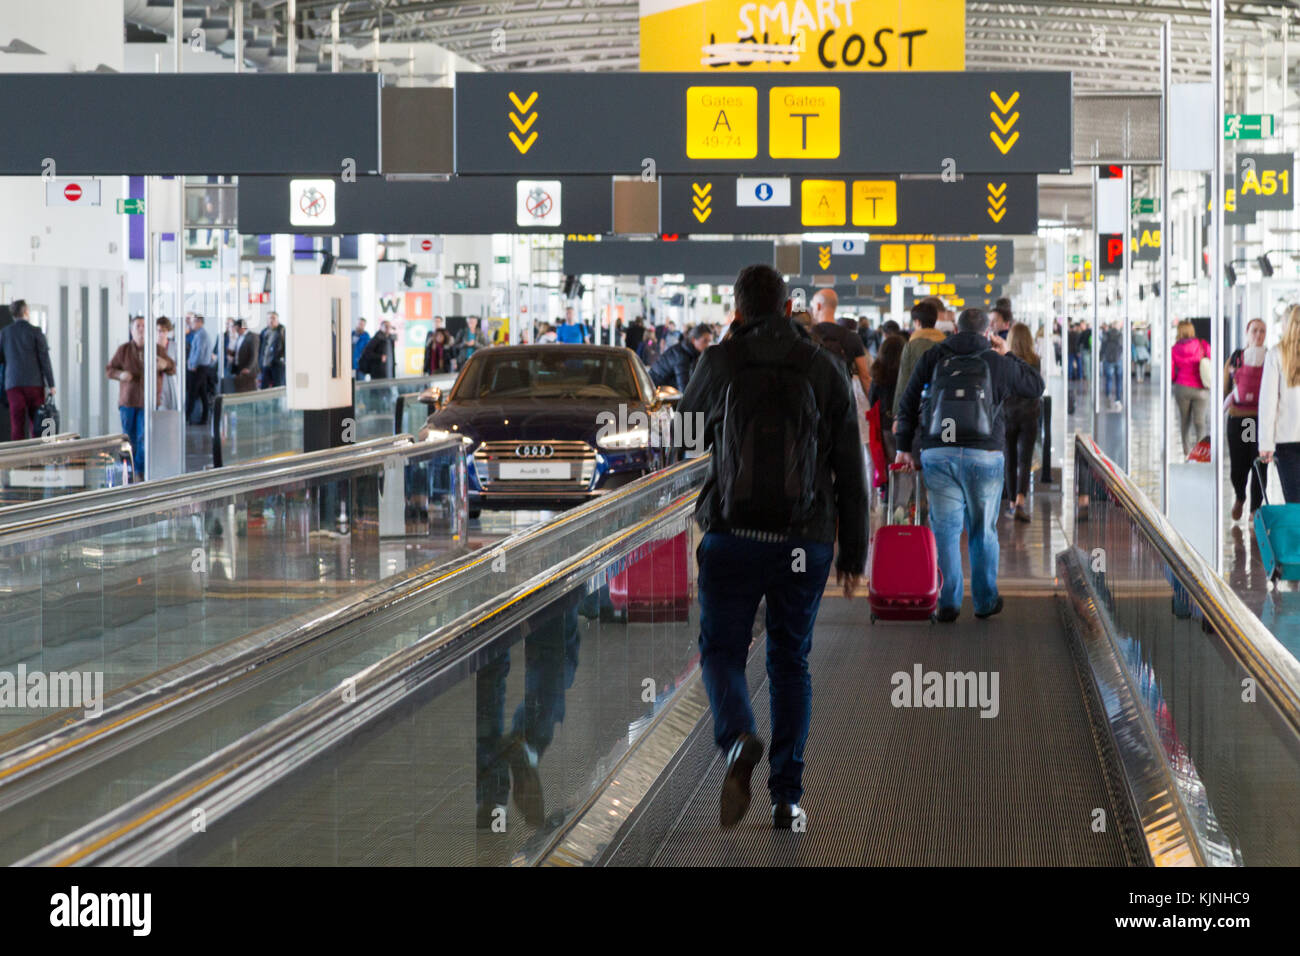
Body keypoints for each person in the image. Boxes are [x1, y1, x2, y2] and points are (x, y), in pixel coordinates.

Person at [680, 263, 867, 832]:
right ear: (789, 308)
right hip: (802, 541)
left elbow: (683, 440)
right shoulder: (822, 366)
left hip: (731, 537)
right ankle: (787, 799)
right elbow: (848, 467)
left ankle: (737, 735)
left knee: (721, 652)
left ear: (737, 311)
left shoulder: (718, 361)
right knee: (790, 662)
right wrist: (854, 553)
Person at [895, 308, 1044, 622]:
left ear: (955, 329)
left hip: (938, 454)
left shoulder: (934, 355)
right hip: (984, 455)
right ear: (987, 331)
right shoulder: (996, 361)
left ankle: (947, 602)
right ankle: (985, 600)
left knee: (946, 531)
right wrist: (1009, 354)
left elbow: (907, 402)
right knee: (982, 530)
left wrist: (903, 448)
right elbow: (1035, 385)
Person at [107, 316, 175, 479]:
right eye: (138, 326)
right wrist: (121, 374)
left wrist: (164, 365)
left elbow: (172, 367)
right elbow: (109, 370)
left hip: (148, 401)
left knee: (143, 436)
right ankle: (130, 470)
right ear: (131, 330)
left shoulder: (157, 350)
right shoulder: (123, 350)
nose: (141, 329)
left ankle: (140, 471)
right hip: (128, 402)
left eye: (144, 326)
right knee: (129, 438)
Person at [1226, 318, 1267, 519]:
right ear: (1247, 332)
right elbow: (1225, 384)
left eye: (1262, 331)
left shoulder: (1270, 357)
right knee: (1239, 464)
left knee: (1258, 463)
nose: (1258, 335)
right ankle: (1240, 496)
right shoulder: (1237, 357)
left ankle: (1254, 509)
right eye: (1254, 331)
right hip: (1240, 419)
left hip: (1259, 419)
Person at [1259, 304, 1300, 502]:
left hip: (1286, 439)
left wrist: (1265, 442)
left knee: (1294, 502)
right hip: (1287, 440)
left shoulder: (1276, 354)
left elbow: (1268, 403)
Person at [1003, 323, 1042, 523]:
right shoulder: (1035, 361)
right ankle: (1020, 501)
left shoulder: (1006, 361)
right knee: (1024, 461)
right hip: (1029, 416)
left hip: (1008, 416)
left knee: (1009, 460)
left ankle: (1010, 504)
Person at [0, 299, 55, 440]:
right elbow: (44, 359)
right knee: (37, 421)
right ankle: (38, 456)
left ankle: (18, 459)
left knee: (17, 423)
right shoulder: (35, 332)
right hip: (34, 384)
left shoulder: (5, 333)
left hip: (13, 384)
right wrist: (51, 384)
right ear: (26, 312)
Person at [810, 289, 872, 398]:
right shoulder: (852, 337)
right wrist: (875, 407)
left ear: (819, 306)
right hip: (843, 400)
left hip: (814, 401)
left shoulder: (808, 335)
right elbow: (865, 377)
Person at [892, 300, 945, 424]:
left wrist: (898, 415)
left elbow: (903, 381)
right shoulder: (946, 343)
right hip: (942, 405)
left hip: (918, 406)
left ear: (917, 322)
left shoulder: (911, 346)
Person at [1171, 320, 1211, 458]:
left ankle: (1186, 451)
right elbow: (1210, 362)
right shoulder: (1202, 344)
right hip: (1201, 389)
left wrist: (1176, 379)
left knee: (1184, 420)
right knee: (1200, 422)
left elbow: (1171, 371)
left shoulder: (1174, 349)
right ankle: (1200, 453)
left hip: (1182, 387)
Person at [868, 332, 907, 463]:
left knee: (890, 463)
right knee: (906, 464)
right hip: (905, 422)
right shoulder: (907, 374)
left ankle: (890, 483)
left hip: (885, 422)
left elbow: (872, 401)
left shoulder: (878, 373)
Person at [649, 323, 713, 392]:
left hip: (665, 389)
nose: (708, 345)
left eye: (709, 341)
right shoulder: (681, 355)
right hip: (656, 389)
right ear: (693, 340)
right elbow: (684, 389)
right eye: (705, 341)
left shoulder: (691, 353)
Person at [186, 315, 217, 425]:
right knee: (202, 393)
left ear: (200, 322)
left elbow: (199, 352)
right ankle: (204, 418)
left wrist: (193, 364)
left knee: (192, 393)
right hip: (201, 367)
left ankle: (186, 416)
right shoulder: (199, 334)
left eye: (194, 322)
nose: (191, 324)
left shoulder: (201, 335)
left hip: (199, 368)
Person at [226, 319, 259, 393]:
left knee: (249, 392)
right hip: (239, 370)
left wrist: (248, 368)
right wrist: (231, 353)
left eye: (237, 328)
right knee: (239, 391)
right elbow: (239, 353)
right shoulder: (239, 337)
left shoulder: (252, 337)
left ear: (243, 327)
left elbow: (254, 355)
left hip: (248, 371)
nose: (236, 331)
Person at [156, 317, 179, 410]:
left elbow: (178, 367)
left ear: (168, 331)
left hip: (170, 383)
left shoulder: (174, 347)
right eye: (158, 331)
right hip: (156, 383)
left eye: (163, 331)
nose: (160, 334)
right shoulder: (151, 347)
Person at [258, 311, 286, 389]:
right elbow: (261, 349)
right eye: (269, 318)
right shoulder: (264, 332)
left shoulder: (282, 331)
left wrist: (282, 359)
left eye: (273, 318)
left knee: (278, 387)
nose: (271, 320)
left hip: (277, 365)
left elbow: (285, 347)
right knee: (264, 388)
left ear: (277, 319)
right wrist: (260, 362)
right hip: (265, 365)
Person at [1100, 321, 1123, 409]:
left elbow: (1103, 346)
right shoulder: (1120, 335)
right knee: (1118, 380)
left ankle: (1108, 396)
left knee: (1109, 379)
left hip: (1108, 359)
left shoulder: (1106, 334)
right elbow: (1122, 347)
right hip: (1118, 359)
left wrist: (1101, 356)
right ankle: (1117, 399)